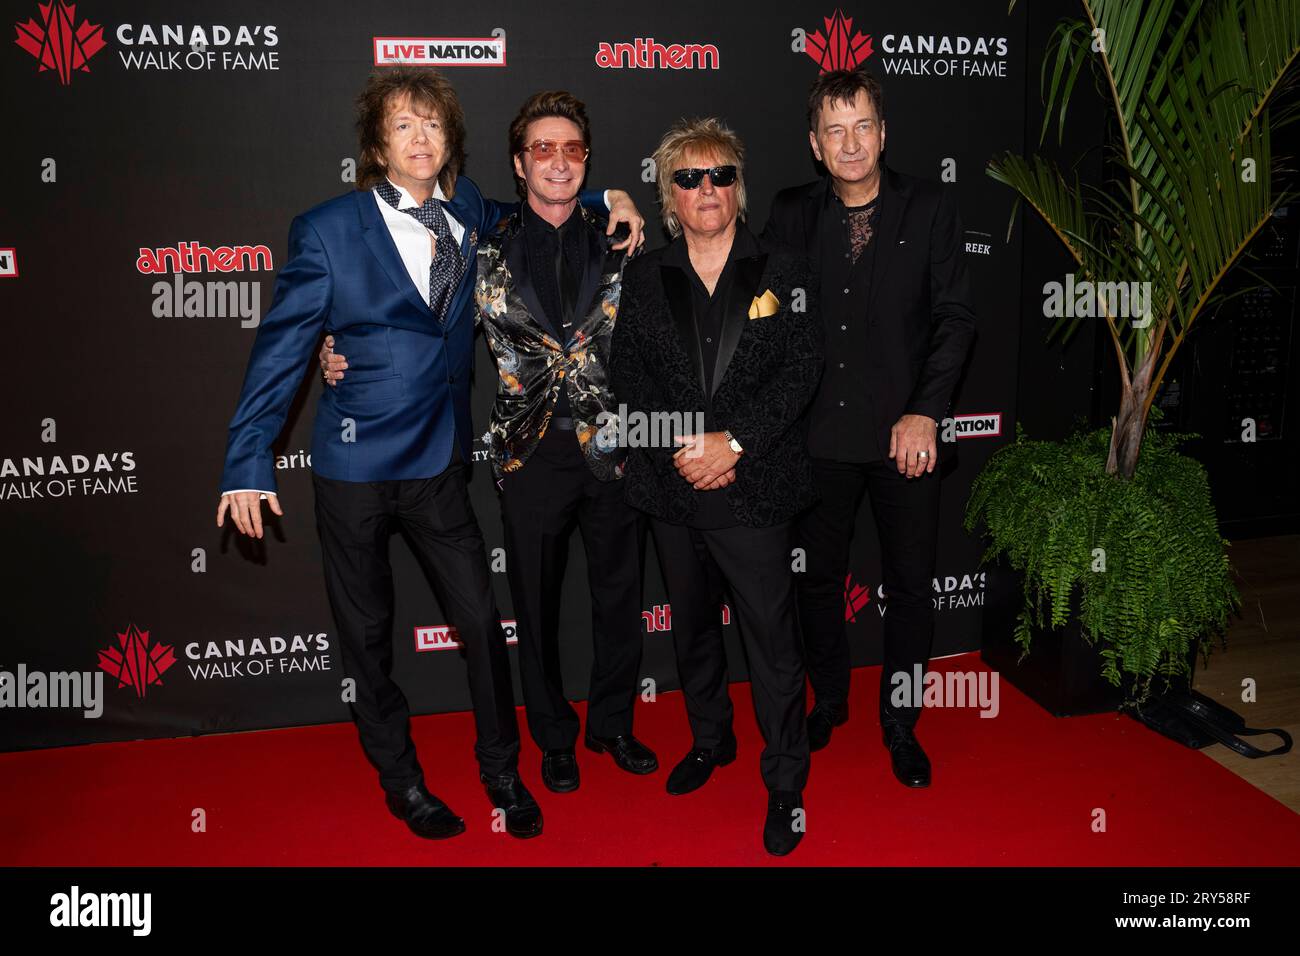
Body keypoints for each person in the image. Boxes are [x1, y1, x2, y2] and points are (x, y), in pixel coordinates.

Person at [216, 66, 644, 841]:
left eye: (433, 126)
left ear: (451, 141)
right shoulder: (327, 229)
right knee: (369, 639)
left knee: (483, 625)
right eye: (403, 126)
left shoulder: (470, 210)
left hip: (441, 465)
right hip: (353, 473)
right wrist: (248, 457)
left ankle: (502, 771)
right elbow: (281, 351)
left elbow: (542, 201)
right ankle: (403, 782)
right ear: (378, 142)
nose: (420, 138)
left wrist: (607, 197)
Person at [322, 90, 656, 794]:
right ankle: (554, 738)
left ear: (586, 159)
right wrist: (339, 347)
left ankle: (614, 726)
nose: (558, 163)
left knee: (620, 597)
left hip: (616, 448)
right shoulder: (478, 245)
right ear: (517, 163)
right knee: (531, 608)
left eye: (571, 150)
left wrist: (615, 196)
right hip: (529, 457)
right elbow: (408, 314)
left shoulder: (622, 239)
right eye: (542, 149)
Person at [610, 117, 823, 856]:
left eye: (721, 175)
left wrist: (732, 443)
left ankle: (787, 781)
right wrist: (683, 446)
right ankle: (710, 740)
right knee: (693, 630)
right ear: (669, 193)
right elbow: (628, 376)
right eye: (690, 177)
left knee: (770, 642)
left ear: (739, 186)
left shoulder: (784, 269)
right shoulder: (645, 275)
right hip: (673, 486)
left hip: (754, 485)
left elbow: (802, 370)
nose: (708, 190)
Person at [762, 68, 976, 787]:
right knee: (814, 581)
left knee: (912, 586)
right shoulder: (790, 213)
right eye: (834, 130)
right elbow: (739, 286)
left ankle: (902, 722)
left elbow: (955, 318)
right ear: (815, 147)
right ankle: (829, 700)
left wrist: (926, 411)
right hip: (816, 439)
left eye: (862, 127)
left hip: (903, 439)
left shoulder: (932, 208)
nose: (850, 144)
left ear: (883, 134)